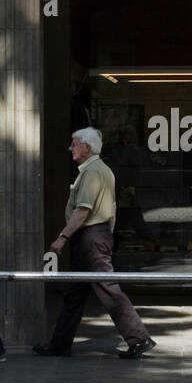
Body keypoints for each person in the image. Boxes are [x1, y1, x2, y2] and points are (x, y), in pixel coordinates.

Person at [34, 127, 155, 359]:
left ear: (87, 148)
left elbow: (82, 211)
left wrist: (62, 238)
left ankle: (139, 338)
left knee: (108, 289)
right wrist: (105, 235)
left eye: (74, 143)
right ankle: (59, 344)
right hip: (95, 236)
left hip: (89, 237)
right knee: (75, 294)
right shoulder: (104, 170)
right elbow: (112, 211)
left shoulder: (91, 173)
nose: (70, 148)